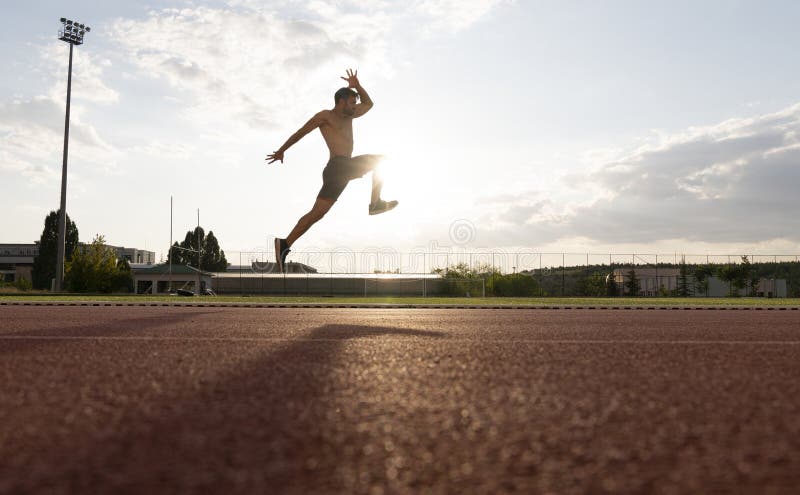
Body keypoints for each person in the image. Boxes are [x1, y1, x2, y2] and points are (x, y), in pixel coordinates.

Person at [266, 69, 398, 272]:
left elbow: (369, 104)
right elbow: (301, 132)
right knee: (380, 160)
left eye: (355, 103)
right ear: (341, 101)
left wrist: (358, 86)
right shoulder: (325, 116)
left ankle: (284, 244)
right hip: (338, 167)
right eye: (352, 103)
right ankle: (375, 204)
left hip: (341, 172)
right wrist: (281, 151)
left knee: (317, 214)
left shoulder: (351, 115)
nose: (355, 107)